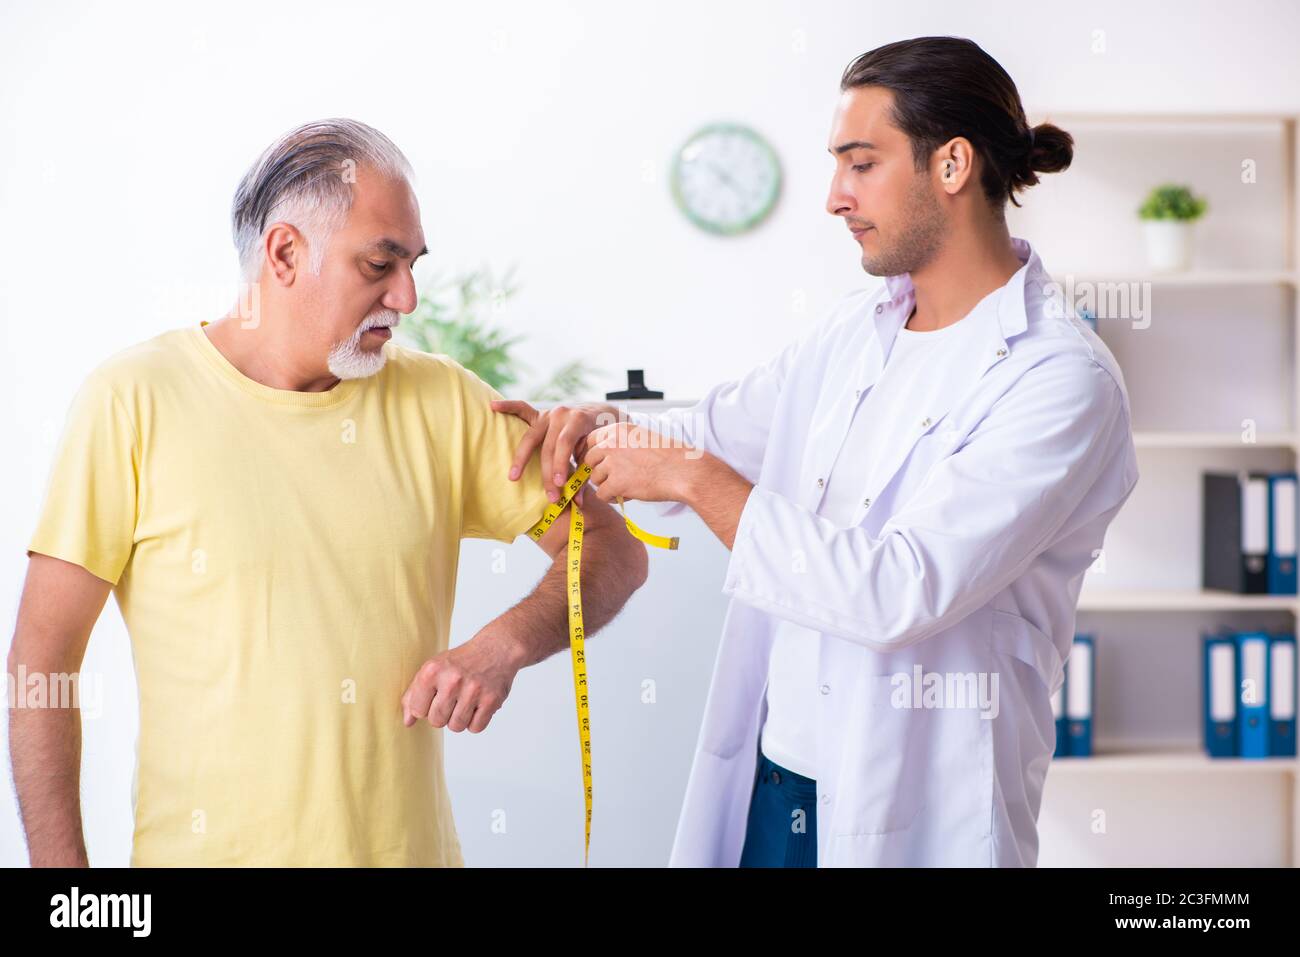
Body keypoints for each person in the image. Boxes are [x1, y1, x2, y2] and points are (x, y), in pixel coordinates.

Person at [493, 37, 1139, 867]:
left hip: (917, 811)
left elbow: (897, 589)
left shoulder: (1059, 379)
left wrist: (691, 477)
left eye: (860, 163)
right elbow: (714, 433)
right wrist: (598, 426)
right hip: (776, 781)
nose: (836, 197)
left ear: (952, 165)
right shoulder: (853, 330)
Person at [9, 119, 648, 866]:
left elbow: (615, 551)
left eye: (412, 263)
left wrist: (504, 644)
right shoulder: (132, 401)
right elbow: (42, 660)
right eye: (380, 264)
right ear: (284, 252)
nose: (406, 296)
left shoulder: (442, 402)